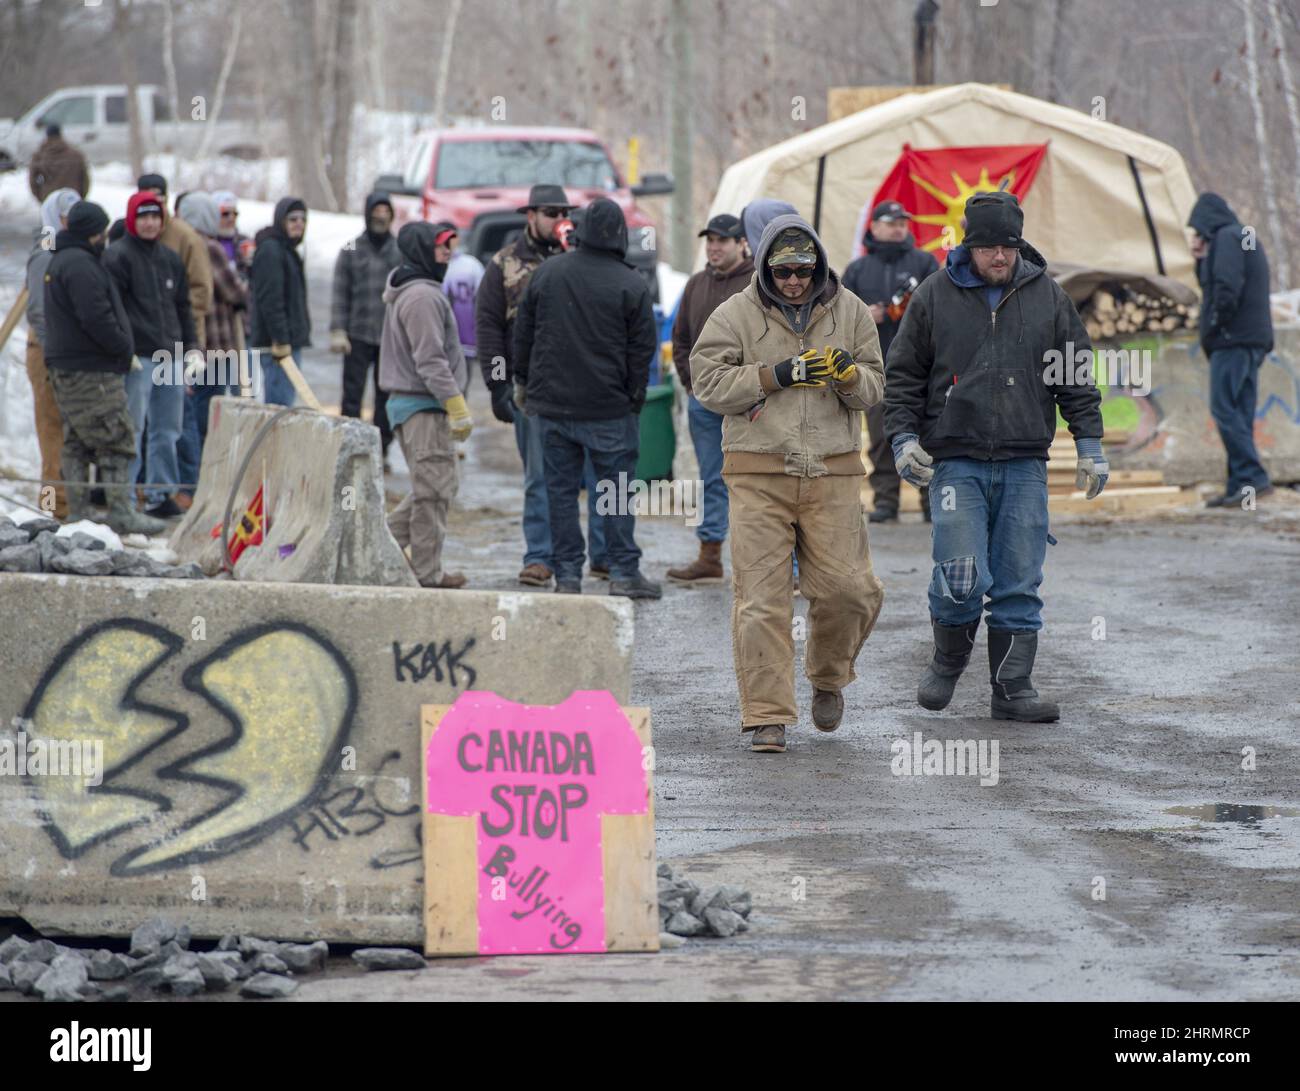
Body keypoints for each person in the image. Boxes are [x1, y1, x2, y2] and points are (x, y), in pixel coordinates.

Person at [885, 191, 1105, 723]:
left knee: (1018, 582)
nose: (999, 257)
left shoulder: (1047, 296)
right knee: (961, 574)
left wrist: (1090, 444)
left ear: (1018, 243)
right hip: (955, 460)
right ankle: (947, 660)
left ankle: (1012, 689)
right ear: (969, 245)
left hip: (1025, 461)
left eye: (1007, 246)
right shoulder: (935, 295)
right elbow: (904, 376)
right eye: (987, 248)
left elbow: (1074, 375)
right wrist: (902, 438)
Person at [692, 215, 886, 754]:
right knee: (761, 601)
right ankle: (767, 716)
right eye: (783, 273)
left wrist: (848, 376)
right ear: (766, 270)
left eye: (803, 271)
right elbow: (706, 380)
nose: (794, 282)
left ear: (819, 265)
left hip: (833, 471)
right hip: (759, 472)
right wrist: (773, 376)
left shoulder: (850, 312)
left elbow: (873, 387)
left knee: (851, 590)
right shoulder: (734, 314)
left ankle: (827, 676)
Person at [513, 197, 660, 600]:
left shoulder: (547, 273)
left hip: (551, 407)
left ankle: (568, 577)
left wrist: (523, 383)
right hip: (609, 409)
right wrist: (633, 396)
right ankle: (624, 572)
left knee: (559, 493)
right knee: (613, 492)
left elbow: (522, 334)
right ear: (619, 234)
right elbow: (641, 349)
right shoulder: (631, 282)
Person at [476, 183, 608, 587]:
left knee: (599, 475)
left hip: (585, 387)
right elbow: (488, 329)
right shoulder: (504, 264)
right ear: (530, 215)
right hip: (530, 390)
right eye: (550, 213)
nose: (559, 220)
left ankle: (602, 555)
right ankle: (539, 556)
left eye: (564, 213)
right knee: (540, 478)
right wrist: (497, 384)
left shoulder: (585, 258)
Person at [43, 201, 167, 536]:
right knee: (116, 436)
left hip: (73, 366)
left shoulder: (65, 259)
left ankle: (80, 513)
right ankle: (120, 512)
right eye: (100, 232)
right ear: (92, 233)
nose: (104, 238)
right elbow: (96, 317)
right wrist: (123, 348)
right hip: (90, 369)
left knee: (79, 440)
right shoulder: (81, 265)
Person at [379, 222, 472, 589]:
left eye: (451, 244)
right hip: (423, 405)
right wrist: (455, 404)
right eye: (440, 246)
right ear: (420, 250)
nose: (448, 252)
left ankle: (373, 545)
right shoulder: (421, 297)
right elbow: (430, 360)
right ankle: (427, 574)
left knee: (433, 487)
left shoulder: (421, 290)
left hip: (419, 404)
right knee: (434, 492)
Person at [666, 213, 753, 584]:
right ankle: (710, 556)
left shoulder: (757, 283)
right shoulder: (696, 284)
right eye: (710, 240)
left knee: (760, 482)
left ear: (741, 244)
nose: (715, 247)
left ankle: (785, 568)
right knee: (711, 478)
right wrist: (691, 383)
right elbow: (681, 338)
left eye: (723, 240)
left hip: (750, 402)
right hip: (704, 401)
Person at [105, 190, 202, 519]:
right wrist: (123, 349)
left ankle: (161, 494)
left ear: (163, 221)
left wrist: (192, 350)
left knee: (167, 428)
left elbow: (183, 309)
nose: (149, 223)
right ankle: (126, 499)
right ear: (133, 219)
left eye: (155, 217)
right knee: (132, 428)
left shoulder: (170, 258)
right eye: (143, 216)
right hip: (138, 358)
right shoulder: (118, 256)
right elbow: (111, 309)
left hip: (170, 357)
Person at [842, 200, 939, 523]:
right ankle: (886, 501)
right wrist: (864, 316)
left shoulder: (925, 263)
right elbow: (838, 318)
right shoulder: (857, 270)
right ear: (876, 226)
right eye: (892, 221)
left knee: (928, 434)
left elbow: (940, 307)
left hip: (922, 367)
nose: (899, 227)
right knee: (882, 438)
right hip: (875, 369)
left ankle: (931, 501)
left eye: (903, 222)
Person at [1186, 193, 1275, 508]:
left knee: (1224, 409)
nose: (1197, 236)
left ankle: (1253, 476)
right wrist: (1201, 259)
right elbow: (1230, 278)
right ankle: (1241, 487)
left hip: (1232, 339)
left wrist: (1212, 328)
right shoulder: (1244, 236)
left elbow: (1224, 288)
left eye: (1197, 230)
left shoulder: (1227, 237)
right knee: (1240, 412)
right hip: (1252, 339)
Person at [175, 192, 249, 481]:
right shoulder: (210, 248)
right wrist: (243, 283)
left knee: (187, 410)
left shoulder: (175, 244)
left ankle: (188, 477)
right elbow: (234, 291)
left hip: (184, 343)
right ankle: (204, 475)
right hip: (215, 343)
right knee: (207, 412)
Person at [25, 187, 82, 520]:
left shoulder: (68, 248)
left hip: (65, 351)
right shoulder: (46, 250)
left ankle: (68, 500)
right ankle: (51, 505)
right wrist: (53, 350)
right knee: (50, 431)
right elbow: (37, 310)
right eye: (65, 216)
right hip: (47, 351)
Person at [331, 192, 400, 461]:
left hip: (389, 337)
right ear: (368, 214)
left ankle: (381, 449)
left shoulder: (400, 250)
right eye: (376, 211)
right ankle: (350, 446)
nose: (381, 217)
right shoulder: (350, 248)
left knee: (386, 397)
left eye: (386, 212)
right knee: (352, 395)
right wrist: (338, 329)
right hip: (356, 335)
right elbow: (340, 290)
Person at [137, 174, 213, 352]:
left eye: (157, 199)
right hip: (143, 339)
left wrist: (172, 318)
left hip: (182, 338)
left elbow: (202, 290)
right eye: (145, 200)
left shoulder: (186, 237)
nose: (152, 205)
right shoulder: (130, 236)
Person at [250, 197, 312, 406]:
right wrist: (280, 338)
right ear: (281, 220)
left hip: (287, 340)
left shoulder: (287, 250)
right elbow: (270, 299)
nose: (298, 224)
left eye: (303, 220)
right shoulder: (271, 250)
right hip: (276, 346)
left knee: (285, 404)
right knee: (279, 408)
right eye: (292, 219)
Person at [435, 222, 485, 374]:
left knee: (462, 387)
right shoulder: (431, 265)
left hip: (465, 341)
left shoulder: (472, 265)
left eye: (452, 236)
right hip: (437, 341)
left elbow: (483, 303)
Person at [28, 124, 89, 203]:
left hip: (49, 198)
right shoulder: (75, 155)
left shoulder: (40, 156)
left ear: (47, 135)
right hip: (71, 198)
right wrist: (80, 197)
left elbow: (32, 180)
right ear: (60, 134)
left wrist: (41, 197)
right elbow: (85, 179)